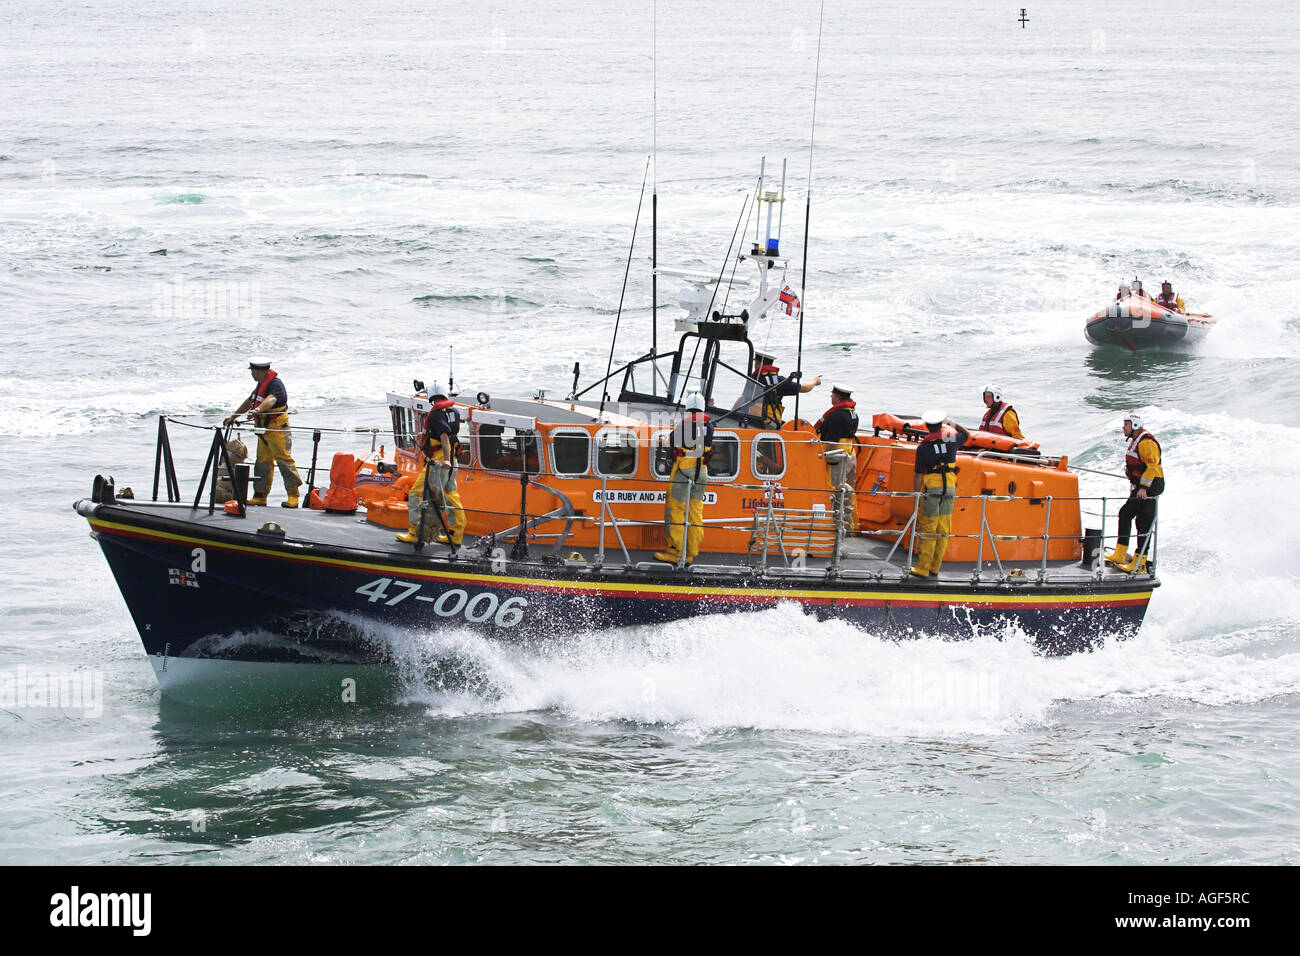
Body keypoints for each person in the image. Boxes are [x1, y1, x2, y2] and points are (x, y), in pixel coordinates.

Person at [223, 358, 302, 507]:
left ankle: (293, 495)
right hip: (263, 431)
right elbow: (250, 401)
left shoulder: (275, 385)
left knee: (284, 460)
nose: (252, 374)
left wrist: (258, 410)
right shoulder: (260, 386)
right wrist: (233, 417)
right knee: (262, 462)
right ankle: (260, 495)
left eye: (253, 371)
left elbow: (271, 400)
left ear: (260, 371)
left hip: (277, 429)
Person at [397, 383, 466, 547]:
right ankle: (456, 534)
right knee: (451, 496)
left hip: (440, 462)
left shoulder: (436, 415)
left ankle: (414, 532)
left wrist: (446, 460)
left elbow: (444, 437)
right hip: (453, 461)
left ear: (431, 398)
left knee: (415, 493)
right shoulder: (454, 412)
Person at [654, 392, 714, 565]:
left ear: (687, 409)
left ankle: (676, 551)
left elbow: (669, 443)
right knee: (695, 512)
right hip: (701, 471)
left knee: (675, 510)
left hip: (684, 470)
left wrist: (663, 438)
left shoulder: (685, 425)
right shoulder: (710, 426)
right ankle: (691, 552)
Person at [909, 410, 969, 579]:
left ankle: (923, 568)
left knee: (929, 529)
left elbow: (919, 474)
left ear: (926, 426)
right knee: (944, 530)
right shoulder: (950, 439)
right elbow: (966, 434)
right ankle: (935, 567)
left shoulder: (924, 447)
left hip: (933, 490)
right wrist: (954, 424)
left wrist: (915, 494)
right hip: (949, 489)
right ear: (942, 424)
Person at [1104, 411, 1162, 573]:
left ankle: (1140, 563)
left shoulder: (1146, 443)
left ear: (1135, 425)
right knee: (1125, 514)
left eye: (1126, 424)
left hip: (1149, 488)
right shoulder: (1137, 441)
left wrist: (1143, 488)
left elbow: (1152, 467)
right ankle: (1120, 554)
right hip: (1140, 487)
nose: (1123, 427)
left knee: (1143, 524)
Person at [815, 384, 859, 534]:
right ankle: (849, 525)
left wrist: (822, 458)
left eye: (832, 394)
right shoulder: (853, 414)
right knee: (847, 491)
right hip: (850, 454)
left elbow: (831, 441)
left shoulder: (836, 416)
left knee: (833, 490)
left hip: (837, 456)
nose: (831, 396)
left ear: (837, 396)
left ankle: (832, 525)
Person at [750, 351, 821, 428]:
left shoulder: (752, 379)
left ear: (757, 363)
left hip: (751, 419)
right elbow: (805, 388)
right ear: (771, 364)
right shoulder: (778, 380)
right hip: (770, 423)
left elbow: (743, 398)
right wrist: (815, 382)